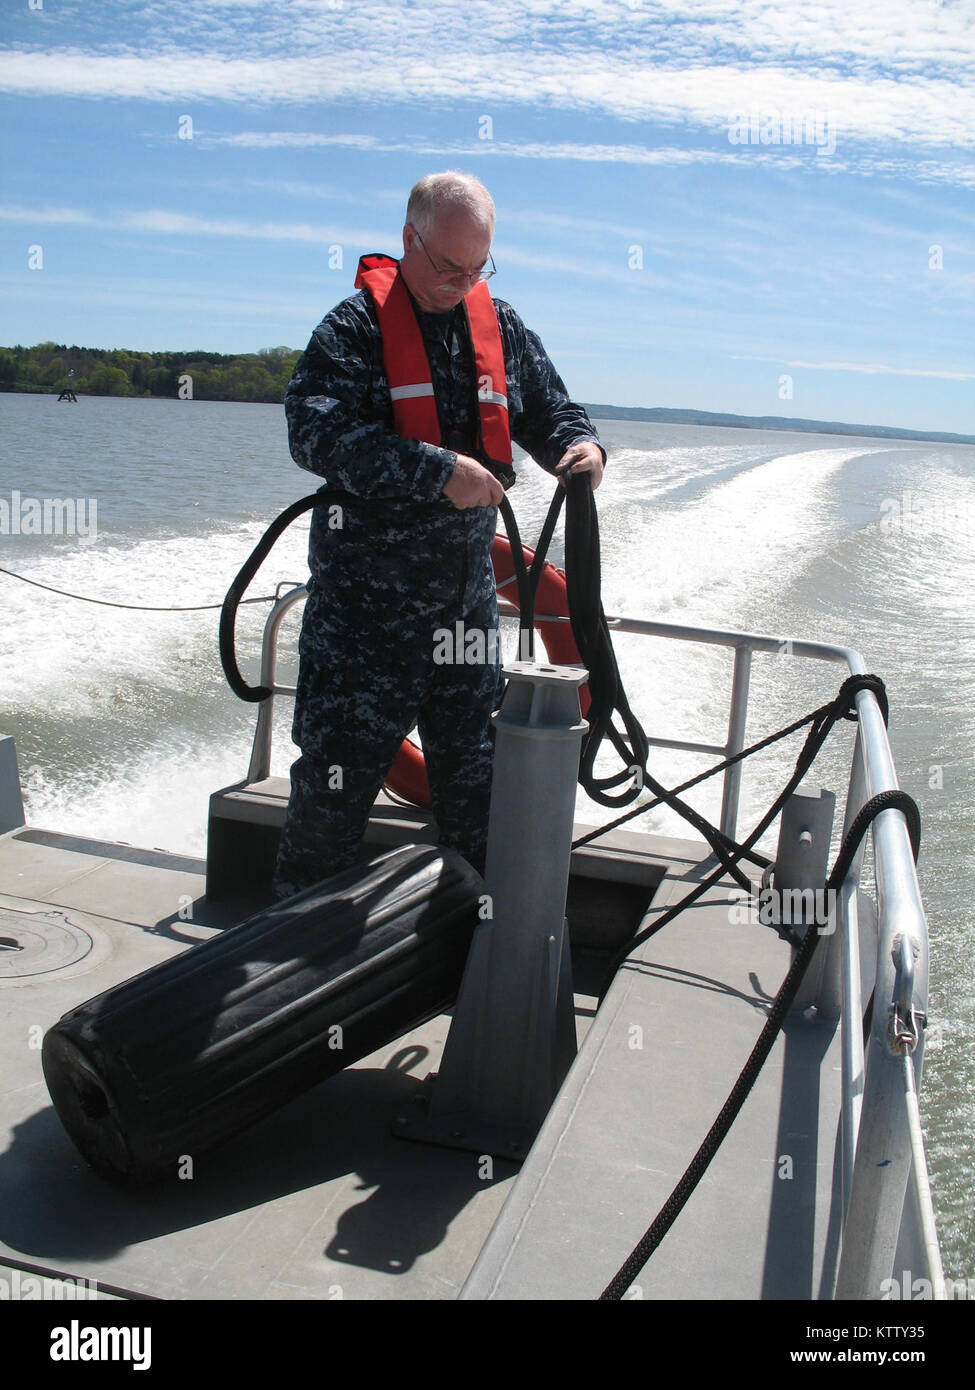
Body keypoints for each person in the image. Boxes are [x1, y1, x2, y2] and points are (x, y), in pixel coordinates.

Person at [272, 171, 604, 900]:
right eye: (446, 265)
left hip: (466, 624)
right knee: (330, 805)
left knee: (479, 804)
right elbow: (312, 432)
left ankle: (469, 962)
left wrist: (580, 447)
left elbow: (550, 408)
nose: (460, 281)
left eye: (475, 268)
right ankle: (286, 975)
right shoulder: (351, 330)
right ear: (407, 240)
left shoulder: (503, 327)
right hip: (364, 630)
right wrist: (433, 469)